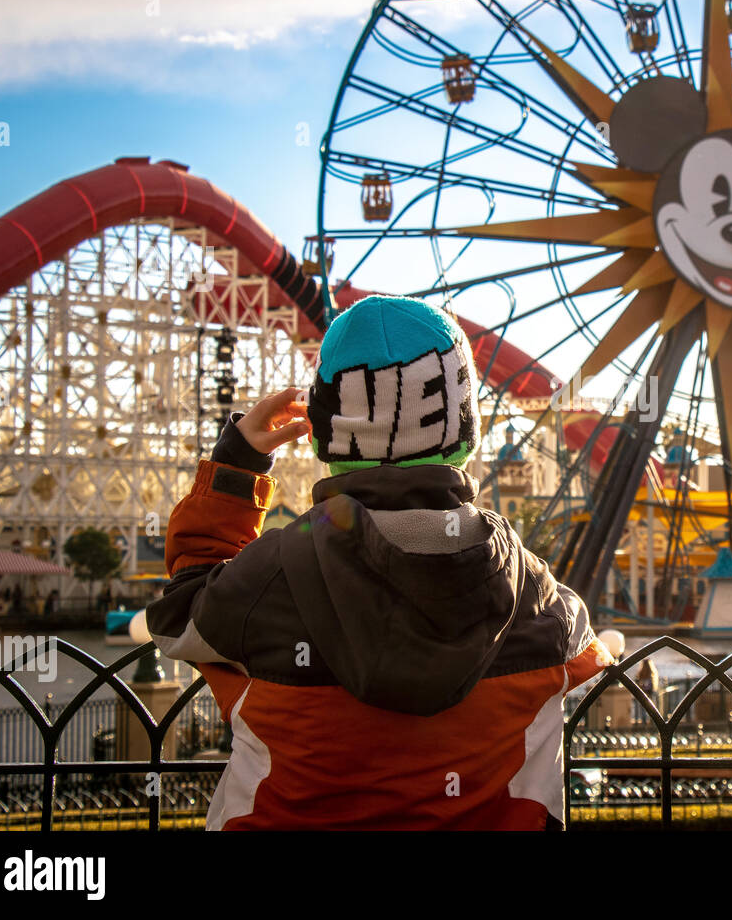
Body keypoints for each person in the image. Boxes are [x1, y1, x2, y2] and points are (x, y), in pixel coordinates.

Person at [147, 296, 613, 830]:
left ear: (323, 435)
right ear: (465, 429)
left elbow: (180, 616)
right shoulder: (534, 591)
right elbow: (587, 659)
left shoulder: (269, 576)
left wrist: (235, 470)